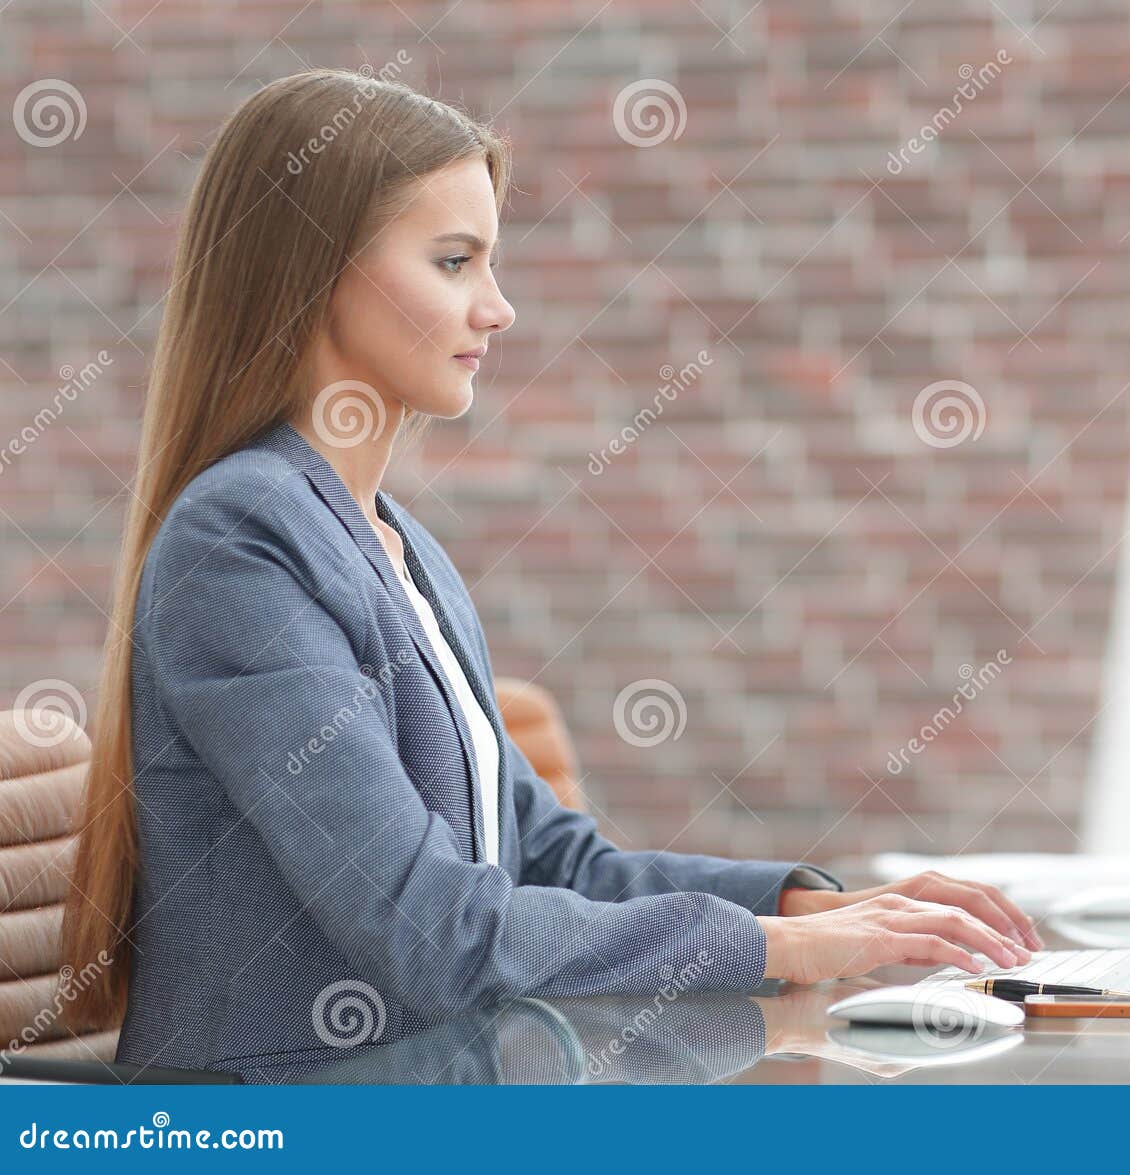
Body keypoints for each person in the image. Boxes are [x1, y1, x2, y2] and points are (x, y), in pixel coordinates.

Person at [60, 69, 1043, 1072]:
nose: (499, 308)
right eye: (453, 262)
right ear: (314, 271)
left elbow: (551, 858)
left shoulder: (398, 546)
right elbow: (427, 924)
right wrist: (779, 948)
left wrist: (815, 906)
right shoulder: (242, 540)